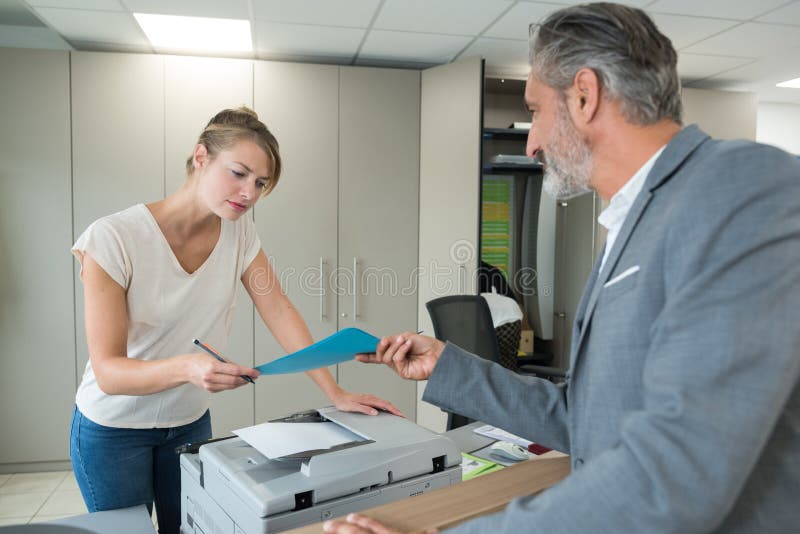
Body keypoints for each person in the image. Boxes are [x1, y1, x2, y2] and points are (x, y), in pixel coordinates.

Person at [324, 3, 800, 533]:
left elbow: (678, 469)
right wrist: (447, 364)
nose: (531, 141)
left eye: (536, 111)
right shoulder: (630, 224)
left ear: (584, 95)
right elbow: (586, 418)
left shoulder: (744, 190)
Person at [70, 107, 400, 534]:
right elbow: (110, 372)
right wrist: (189, 367)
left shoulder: (239, 233)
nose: (249, 193)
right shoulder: (112, 238)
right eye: (239, 173)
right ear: (201, 157)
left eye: (260, 183)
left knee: (191, 528)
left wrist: (334, 391)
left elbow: (277, 308)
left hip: (187, 422)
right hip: (113, 428)